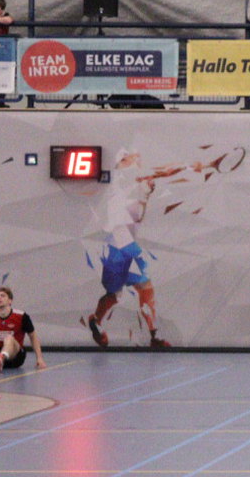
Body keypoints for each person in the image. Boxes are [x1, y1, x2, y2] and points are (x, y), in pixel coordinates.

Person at [84, 147, 241, 348]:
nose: (136, 157)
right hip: (117, 246)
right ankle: (96, 320)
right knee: (116, 295)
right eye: (129, 157)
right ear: (122, 162)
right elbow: (166, 171)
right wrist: (198, 165)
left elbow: (142, 204)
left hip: (126, 246)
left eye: (136, 156)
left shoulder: (137, 182)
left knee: (140, 289)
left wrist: (148, 194)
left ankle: (152, 337)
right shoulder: (123, 176)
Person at [0, 287, 45, 372]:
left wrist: (39, 358)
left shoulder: (21, 316)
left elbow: (33, 336)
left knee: (9, 338)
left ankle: (1, 357)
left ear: (10, 300)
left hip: (15, 357)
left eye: (2, 296)